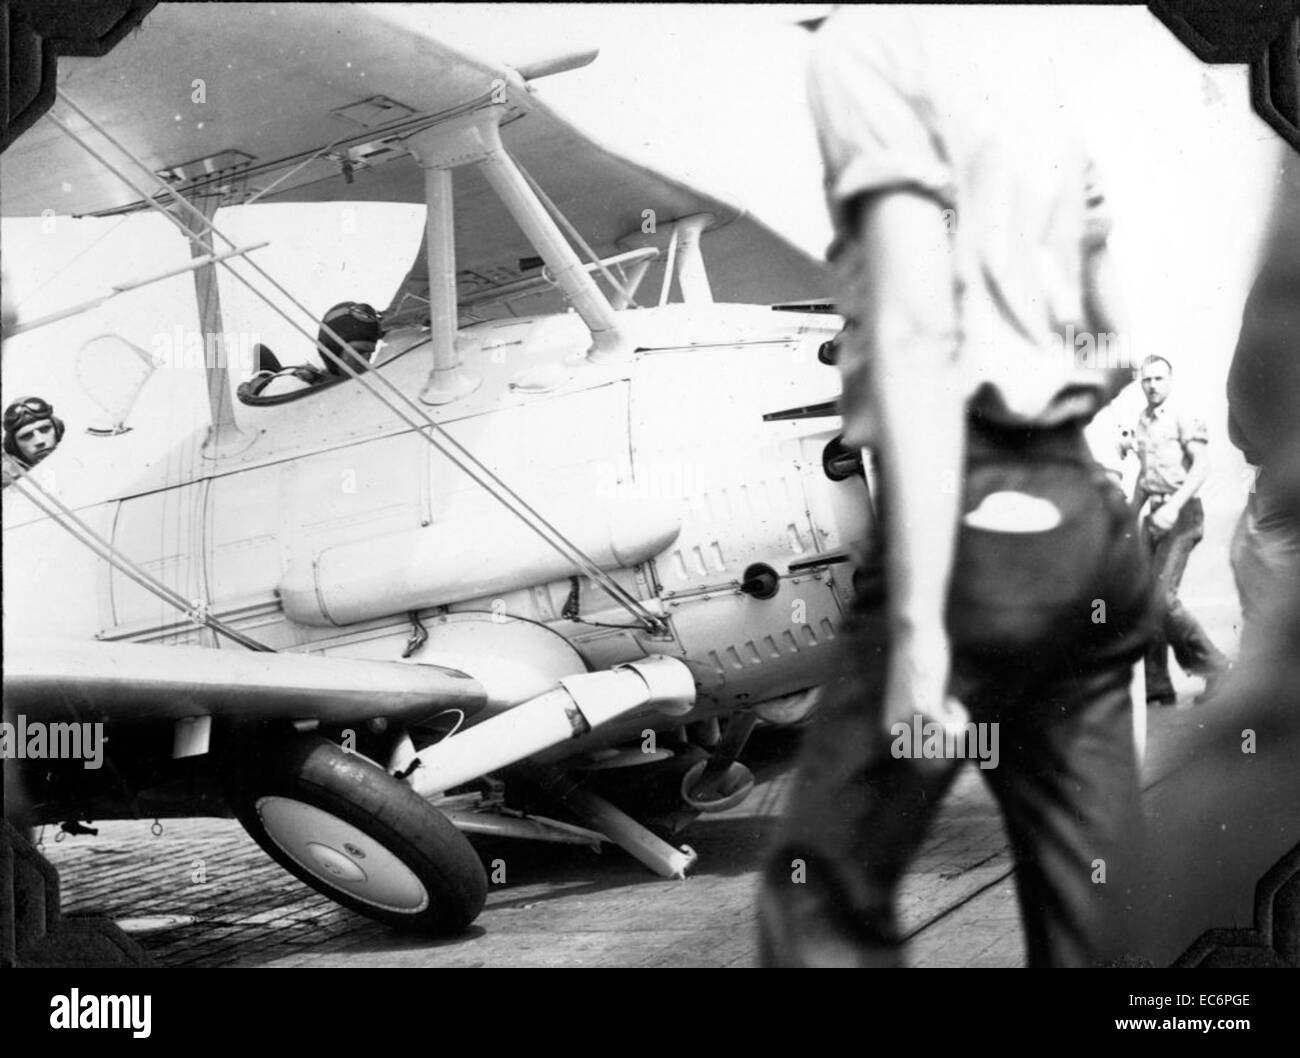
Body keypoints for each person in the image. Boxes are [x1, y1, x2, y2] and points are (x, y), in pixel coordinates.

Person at [758, 6, 1156, 968]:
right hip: (1083, 515)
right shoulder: (1021, 77)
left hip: (975, 527)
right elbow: (1114, 354)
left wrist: (919, 633)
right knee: (1100, 913)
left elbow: (915, 331)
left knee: (818, 901)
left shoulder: (863, 49)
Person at [1131, 354, 1230, 705]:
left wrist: (1173, 507)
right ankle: (1157, 687)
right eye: (1147, 380)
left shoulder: (1184, 415)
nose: (1153, 385)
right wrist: (1129, 520)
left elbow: (1201, 466)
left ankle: (1217, 668)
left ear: (1170, 381)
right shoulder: (1143, 421)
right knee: (1143, 601)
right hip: (1153, 516)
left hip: (1183, 512)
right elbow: (1146, 480)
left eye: (1159, 379)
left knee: (1161, 598)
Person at [241, 301, 384, 401]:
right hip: (273, 386)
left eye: (370, 352)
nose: (366, 360)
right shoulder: (291, 389)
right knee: (264, 379)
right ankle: (265, 375)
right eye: (358, 352)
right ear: (332, 352)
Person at [2, 395, 65, 485]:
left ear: (57, 430)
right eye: (26, 436)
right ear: (15, 446)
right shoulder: (8, 483)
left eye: (45, 429)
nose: (40, 441)